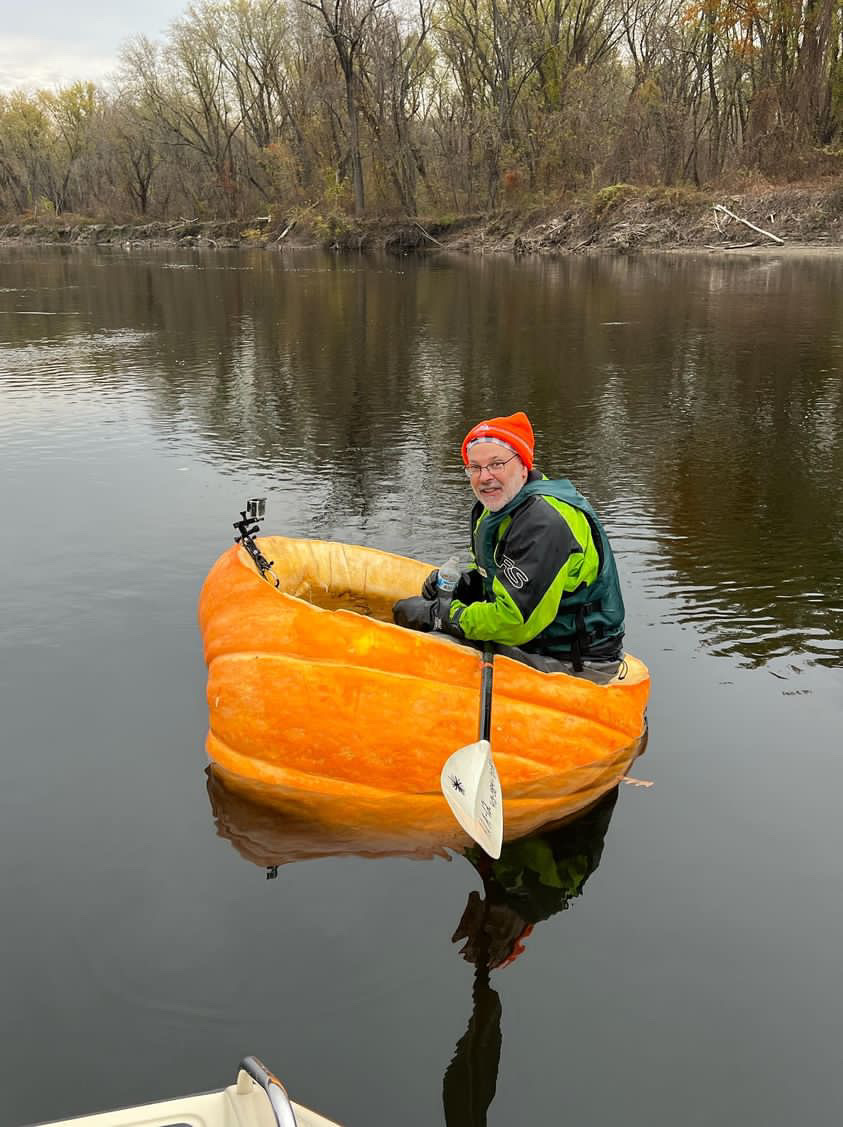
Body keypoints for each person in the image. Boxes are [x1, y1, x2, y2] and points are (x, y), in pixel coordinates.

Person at [392, 411, 626, 678]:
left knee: (426, 650)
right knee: (412, 619)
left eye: (497, 464)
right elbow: (496, 565)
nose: (485, 477)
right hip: (536, 641)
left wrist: (441, 616)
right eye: (475, 468)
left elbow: (514, 622)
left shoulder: (544, 523)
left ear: (523, 466)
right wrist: (467, 584)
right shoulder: (499, 505)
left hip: (570, 662)